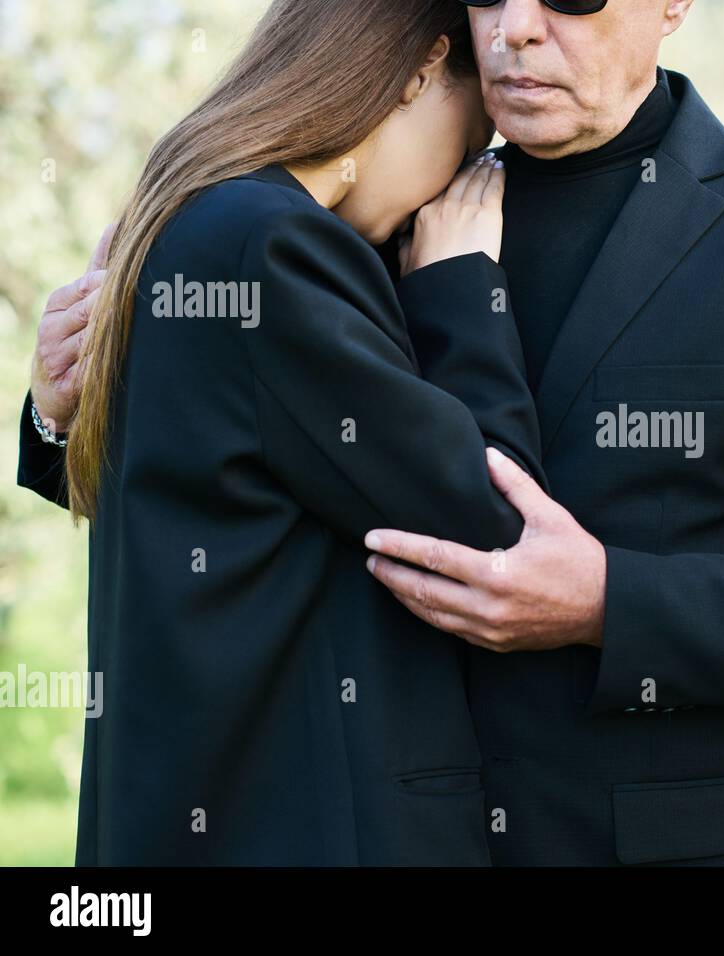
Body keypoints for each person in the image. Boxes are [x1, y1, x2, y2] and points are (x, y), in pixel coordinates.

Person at [26, 0, 724, 866]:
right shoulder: (367, 215)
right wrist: (63, 411)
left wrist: (614, 603)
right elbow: (242, 493)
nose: (516, 27)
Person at [18, 0, 550, 864]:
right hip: (305, 827)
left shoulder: (195, 216)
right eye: (473, 136)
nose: (461, 180)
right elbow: (492, 528)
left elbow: (182, 467)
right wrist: (461, 285)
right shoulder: (275, 245)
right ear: (422, 68)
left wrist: (48, 416)